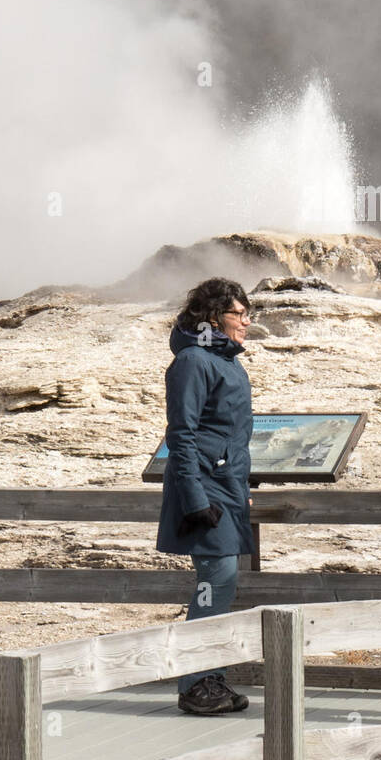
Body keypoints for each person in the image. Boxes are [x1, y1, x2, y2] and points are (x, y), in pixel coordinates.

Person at [156, 277, 256, 716]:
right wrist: (195, 499)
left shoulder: (226, 361)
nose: (247, 322)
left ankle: (210, 676)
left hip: (226, 488)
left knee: (222, 583)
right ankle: (195, 683)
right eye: (239, 314)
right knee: (214, 582)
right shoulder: (194, 361)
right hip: (205, 490)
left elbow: (229, 436)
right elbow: (181, 435)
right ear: (213, 317)